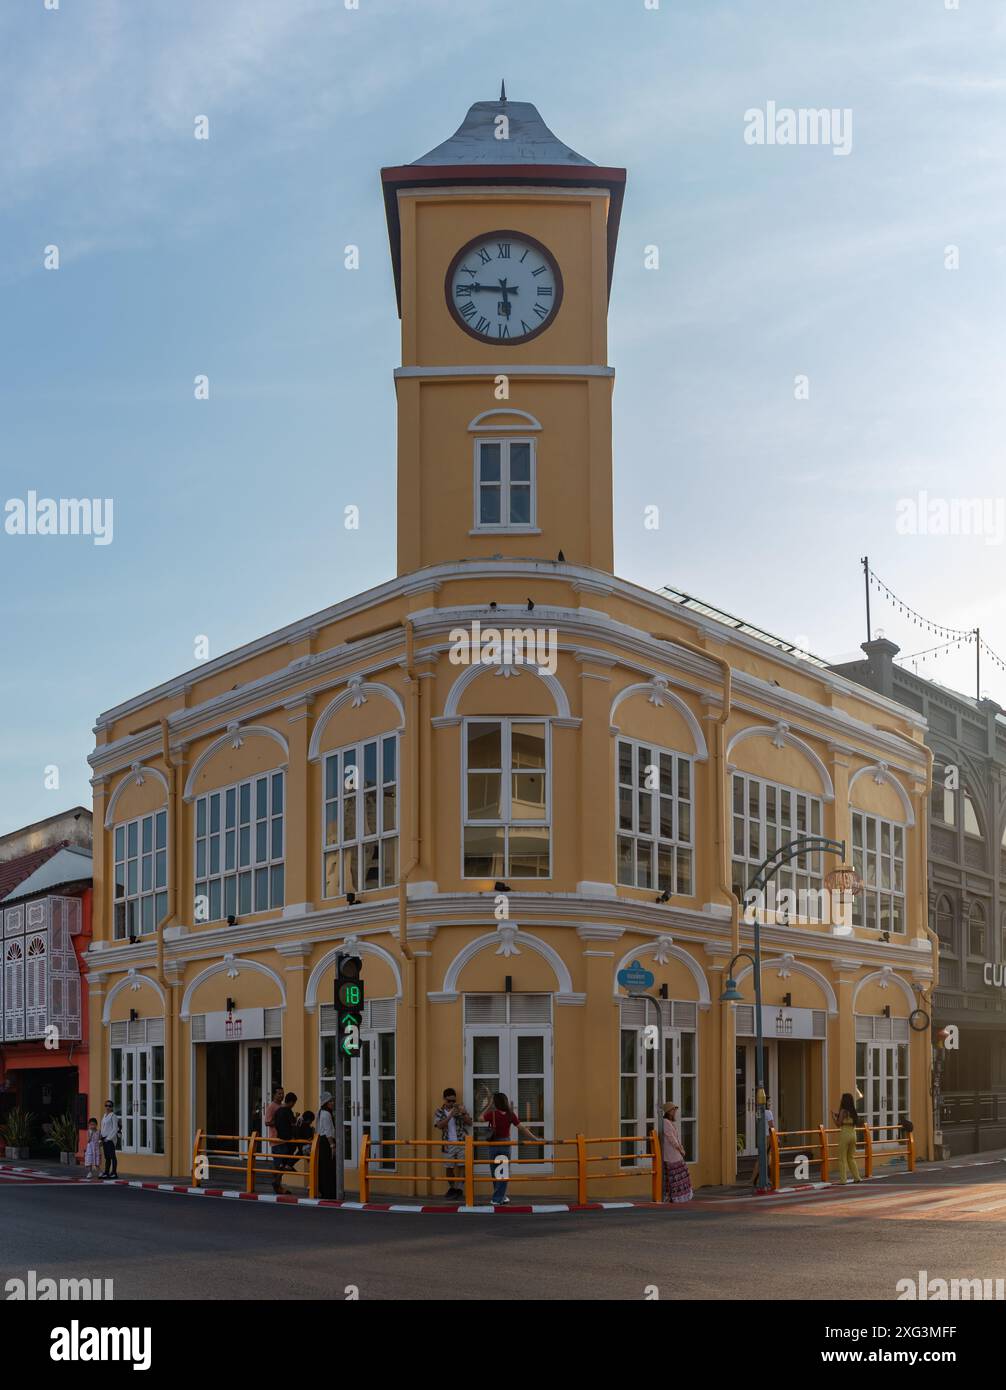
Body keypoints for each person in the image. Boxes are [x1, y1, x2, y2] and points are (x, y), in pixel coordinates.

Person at [481, 1091, 540, 1205]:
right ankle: (498, 1198)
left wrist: (488, 1105)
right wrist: (534, 1139)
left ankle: (499, 1196)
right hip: (504, 1144)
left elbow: (480, 1118)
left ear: (495, 1102)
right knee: (503, 1172)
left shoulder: (492, 1114)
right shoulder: (510, 1114)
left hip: (493, 1144)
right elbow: (522, 1128)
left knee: (495, 1171)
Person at [433, 1087, 471, 1199]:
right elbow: (439, 1126)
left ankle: (458, 1189)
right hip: (447, 1143)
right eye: (449, 1101)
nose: (452, 1103)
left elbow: (469, 1123)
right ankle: (453, 1188)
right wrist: (450, 1115)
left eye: (453, 1101)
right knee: (449, 1168)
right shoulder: (439, 1111)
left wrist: (463, 1113)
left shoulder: (459, 1109)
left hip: (461, 1142)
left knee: (463, 1166)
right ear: (444, 1099)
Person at [662, 1102, 693, 1203]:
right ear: (668, 1112)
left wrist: (681, 1148)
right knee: (676, 1176)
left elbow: (676, 1138)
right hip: (671, 1154)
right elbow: (672, 1139)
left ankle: (680, 1196)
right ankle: (675, 1197)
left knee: (680, 1175)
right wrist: (680, 1149)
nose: (674, 1112)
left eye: (675, 1110)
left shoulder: (670, 1123)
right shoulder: (665, 1122)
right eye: (673, 1110)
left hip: (675, 1153)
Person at [832, 1092, 862, 1184]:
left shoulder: (843, 1111)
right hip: (853, 1134)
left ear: (844, 1101)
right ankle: (857, 1177)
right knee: (851, 1157)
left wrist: (833, 1117)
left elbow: (838, 1124)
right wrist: (839, 1115)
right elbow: (848, 1119)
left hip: (845, 1134)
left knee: (842, 1158)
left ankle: (843, 1179)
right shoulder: (853, 1111)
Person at [271, 1092, 298, 1194]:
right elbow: (293, 1124)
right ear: (291, 1102)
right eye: (294, 1103)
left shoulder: (279, 1110)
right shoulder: (288, 1111)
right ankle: (278, 1180)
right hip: (287, 1139)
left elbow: (275, 1122)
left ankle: (278, 1180)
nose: (294, 1105)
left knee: (281, 1163)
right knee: (285, 1161)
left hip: (279, 1138)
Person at [315, 1091, 337, 1199]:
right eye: (331, 1101)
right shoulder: (326, 1114)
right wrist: (332, 1146)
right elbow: (328, 1132)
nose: (333, 1103)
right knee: (329, 1168)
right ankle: (329, 1192)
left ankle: (323, 1191)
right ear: (326, 1103)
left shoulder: (320, 1112)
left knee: (323, 1167)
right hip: (327, 1142)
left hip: (322, 1141)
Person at [99, 1100, 119, 1180]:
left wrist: (108, 1138)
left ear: (112, 1107)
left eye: (110, 1106)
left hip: (110, 1139)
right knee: (107, 1157)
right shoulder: (104, 1116)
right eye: (106, 1105)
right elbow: (102, 1127)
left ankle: (114, 1172)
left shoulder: (113, 1116)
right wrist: (101, 1138)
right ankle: (106, 1172)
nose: (108, 1107)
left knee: (112, 1156)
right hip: (104, 1139)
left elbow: (115, 1129)